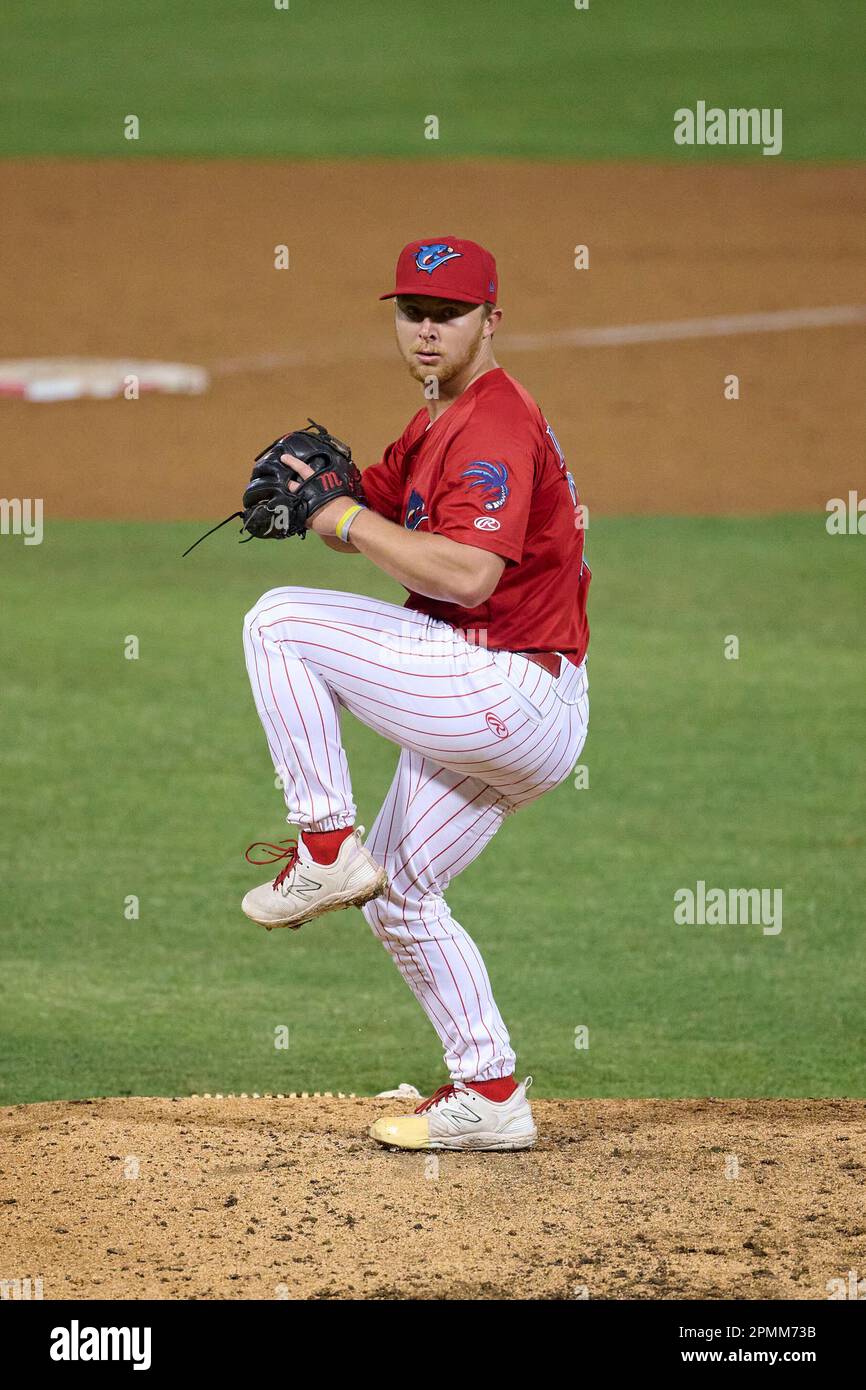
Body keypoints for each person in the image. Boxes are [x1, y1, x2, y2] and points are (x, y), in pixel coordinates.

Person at [241, 236, 590, 1151]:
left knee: (278, 623)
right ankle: (491, 1093)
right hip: (520, 704)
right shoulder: (438, 417)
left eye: (449, 315)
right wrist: (321, 497)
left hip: (501, 683)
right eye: (413, 314)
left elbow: (469, 575)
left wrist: (344, 516)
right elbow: (365, 513)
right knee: (399, 894)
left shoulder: (496, 424)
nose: (427, 333)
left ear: (491, 320)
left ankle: (322, 844)